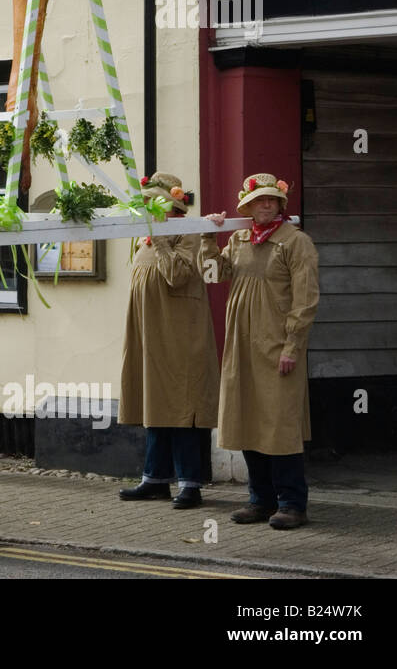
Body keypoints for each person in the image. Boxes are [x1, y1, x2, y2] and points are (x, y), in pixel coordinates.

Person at [207, 173, 319, 530]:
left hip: (278, 348)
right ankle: (260, 500)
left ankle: (292, 504)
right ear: (248, 206)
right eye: (259, 201)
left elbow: (305, 300)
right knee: (247, 419)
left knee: (280, 425)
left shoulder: (296, 242)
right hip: (242, 347)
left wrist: (292, 346)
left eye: (272, 200)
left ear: (281, 204)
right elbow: (213, 275)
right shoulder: (238, 239)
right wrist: (209, 237)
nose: (266, 205)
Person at [117, 173, 219, 509]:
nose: (146, 209)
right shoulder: (144, 236)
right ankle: (155, 479)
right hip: (149, 333)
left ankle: (190, 483)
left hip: (179, 335)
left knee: (182, 405)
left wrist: (158, 237)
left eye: (152, 203)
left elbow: (177, 275)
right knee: (155, 402)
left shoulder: (185, 232)